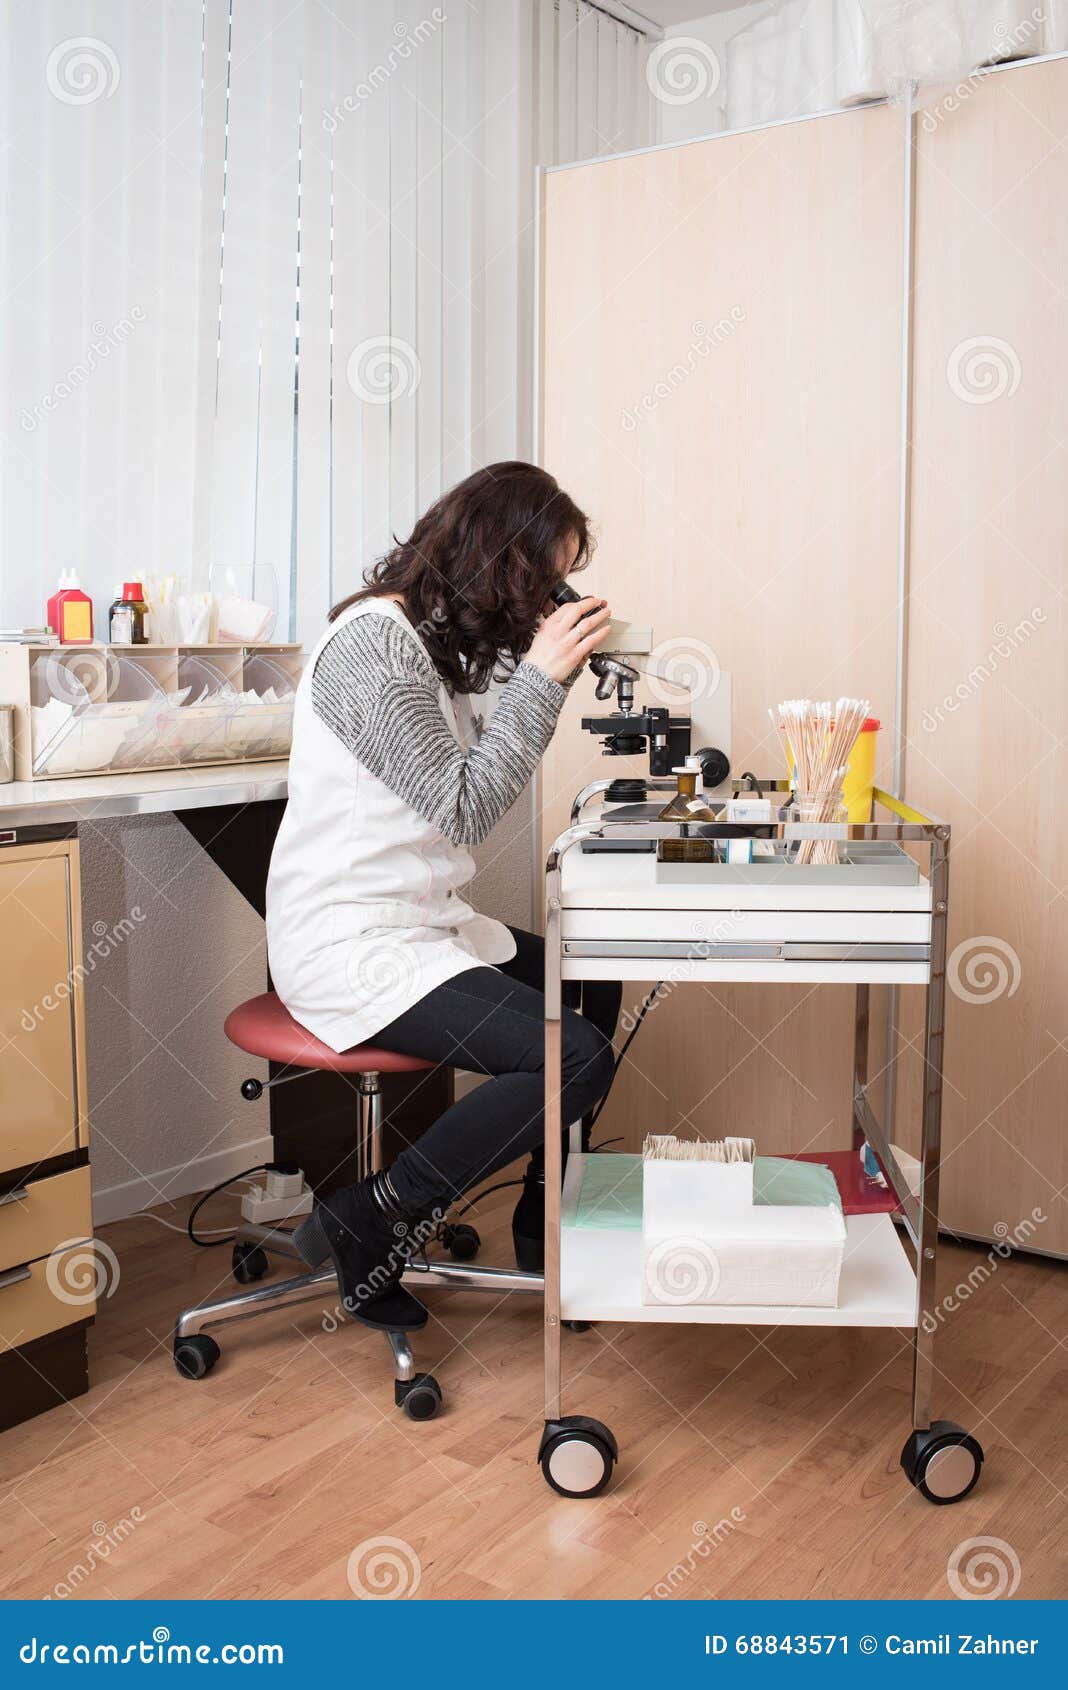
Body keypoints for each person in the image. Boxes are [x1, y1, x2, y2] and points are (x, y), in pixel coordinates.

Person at [265, 461, 622, 1332]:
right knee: (572, 1057)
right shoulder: (373, 644)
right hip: (352, 944)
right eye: (544, 579)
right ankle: (374, 1214)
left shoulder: (434, 645)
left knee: (590, 973)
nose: (548, 601)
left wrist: (553, 668)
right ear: (497, 561)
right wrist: (541, 681)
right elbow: (462, 806)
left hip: (421, 924)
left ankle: (543, 1222)